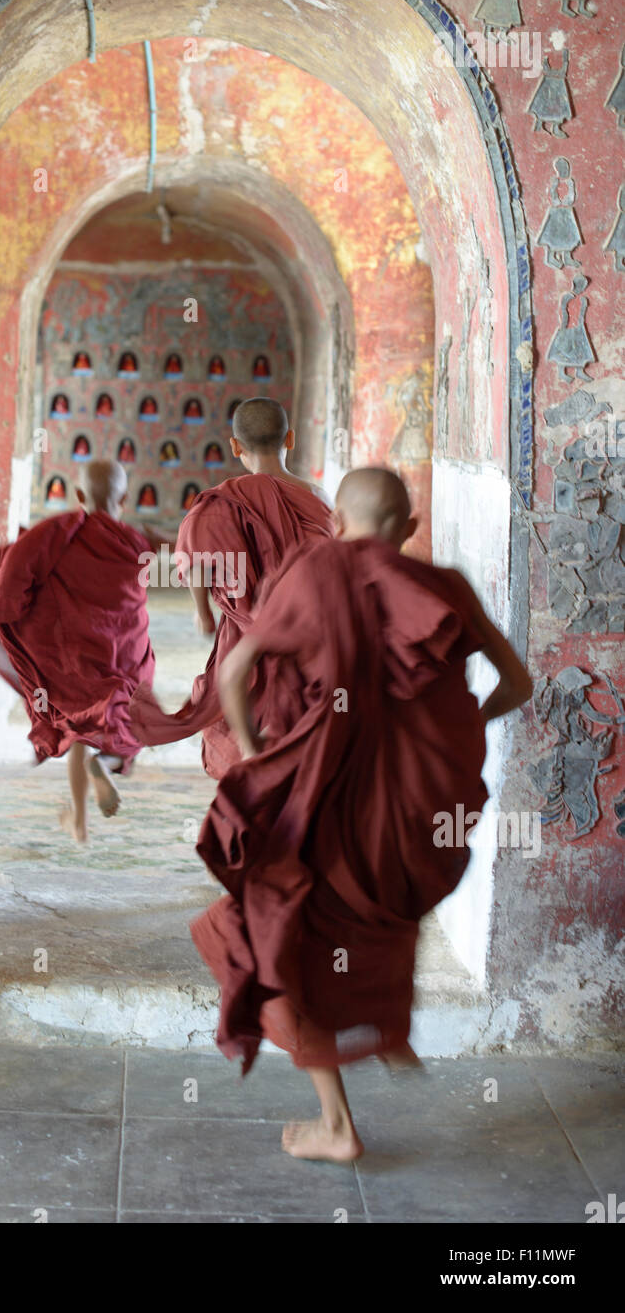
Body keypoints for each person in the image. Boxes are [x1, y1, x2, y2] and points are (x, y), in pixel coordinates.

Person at [192, 467, 532, 1162]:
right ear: (407, 530)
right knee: (379, 917)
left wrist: (262, 765)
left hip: (321, 794)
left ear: (338, 523)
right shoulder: (446, 588)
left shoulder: (316, 574)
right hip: (410, 806)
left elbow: (234, 673)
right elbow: (515, 683)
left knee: (274, 929)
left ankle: (337, 1124)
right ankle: (385, 1030)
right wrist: (460, 726)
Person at [130, 397, 333, 779]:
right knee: (300, 725)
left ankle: (248, 791)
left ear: (235, 446)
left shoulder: (220, 501)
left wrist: (203, 612)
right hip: (309, 635)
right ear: (290, 439)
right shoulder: (318, 498)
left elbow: (195, 561)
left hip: (244, 634)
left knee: (239, 719)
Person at [0, 461, 165, 844]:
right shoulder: (136, 538)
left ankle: (78, 820)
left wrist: (15, 616)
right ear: (124, 498)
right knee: (130, 724)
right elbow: (188, 553)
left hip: (75, 658)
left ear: (78, 496)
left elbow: (10, 577)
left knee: (78, 727)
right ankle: (103, 767)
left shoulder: (57, 533)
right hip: (125, 650)